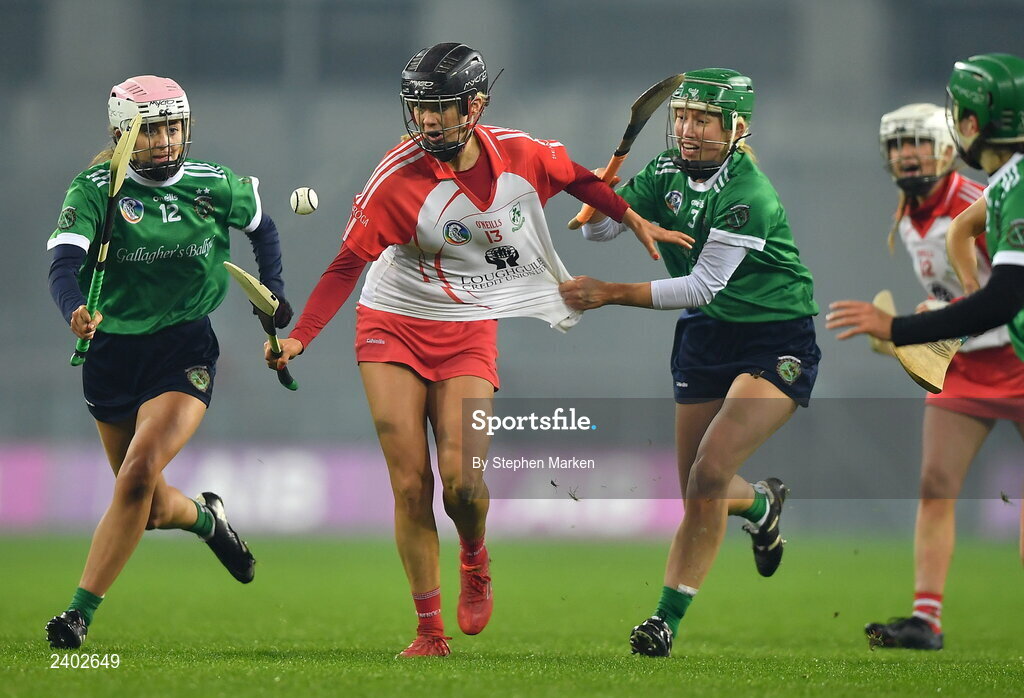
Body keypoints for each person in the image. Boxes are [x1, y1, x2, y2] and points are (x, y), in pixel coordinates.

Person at [266, 42, 690, 658]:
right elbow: (344, 267)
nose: (426, 120)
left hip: (469, 324)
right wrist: (300, 336)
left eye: (440, 107)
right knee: (411, 484)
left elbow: (576, 179)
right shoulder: (394, 180)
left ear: (475, 105)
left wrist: (629, 217)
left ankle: (474, 555)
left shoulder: (520, 154)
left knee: (462, 484)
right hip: (392, 320)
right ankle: (428, 630)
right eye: (418, 108)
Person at [558, 68, 820, 657]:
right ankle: (760, 503)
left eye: (703, 119)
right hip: (706, 339)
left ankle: (664, 622)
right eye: (682, 116)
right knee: (697, 491)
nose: (687, 129)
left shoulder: (748, 194)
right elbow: (598, 233)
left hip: (774, 338)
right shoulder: (665, 171)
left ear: (736, 126)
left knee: (708, 475)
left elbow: (702, 286)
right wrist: (604, 198)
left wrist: (611, 292)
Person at [45, 75, 292, 649]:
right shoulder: (94, 190)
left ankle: (78, 613)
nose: (162, 140)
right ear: (122, 133)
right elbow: (63, 264)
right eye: (149, 129)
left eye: (172, 126)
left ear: (186, 129)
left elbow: (264, 228)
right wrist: (75, 309)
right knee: (149, 506)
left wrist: (275, 291)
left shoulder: (213, 184)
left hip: (184, 350)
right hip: (109, 355)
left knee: (135, 474)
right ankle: (209, 520)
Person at [859, 103, 1024, 651]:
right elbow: (956, 297)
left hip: (1018, 357)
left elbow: (1002, 296)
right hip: (966, 367)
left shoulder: (976, 203)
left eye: (918, 143)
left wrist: (915, 330)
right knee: (935, 486)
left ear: (948, 149)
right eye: (898, 145)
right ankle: (925, 621)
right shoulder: (908, 212)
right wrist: (926, 325)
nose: (907, 155)